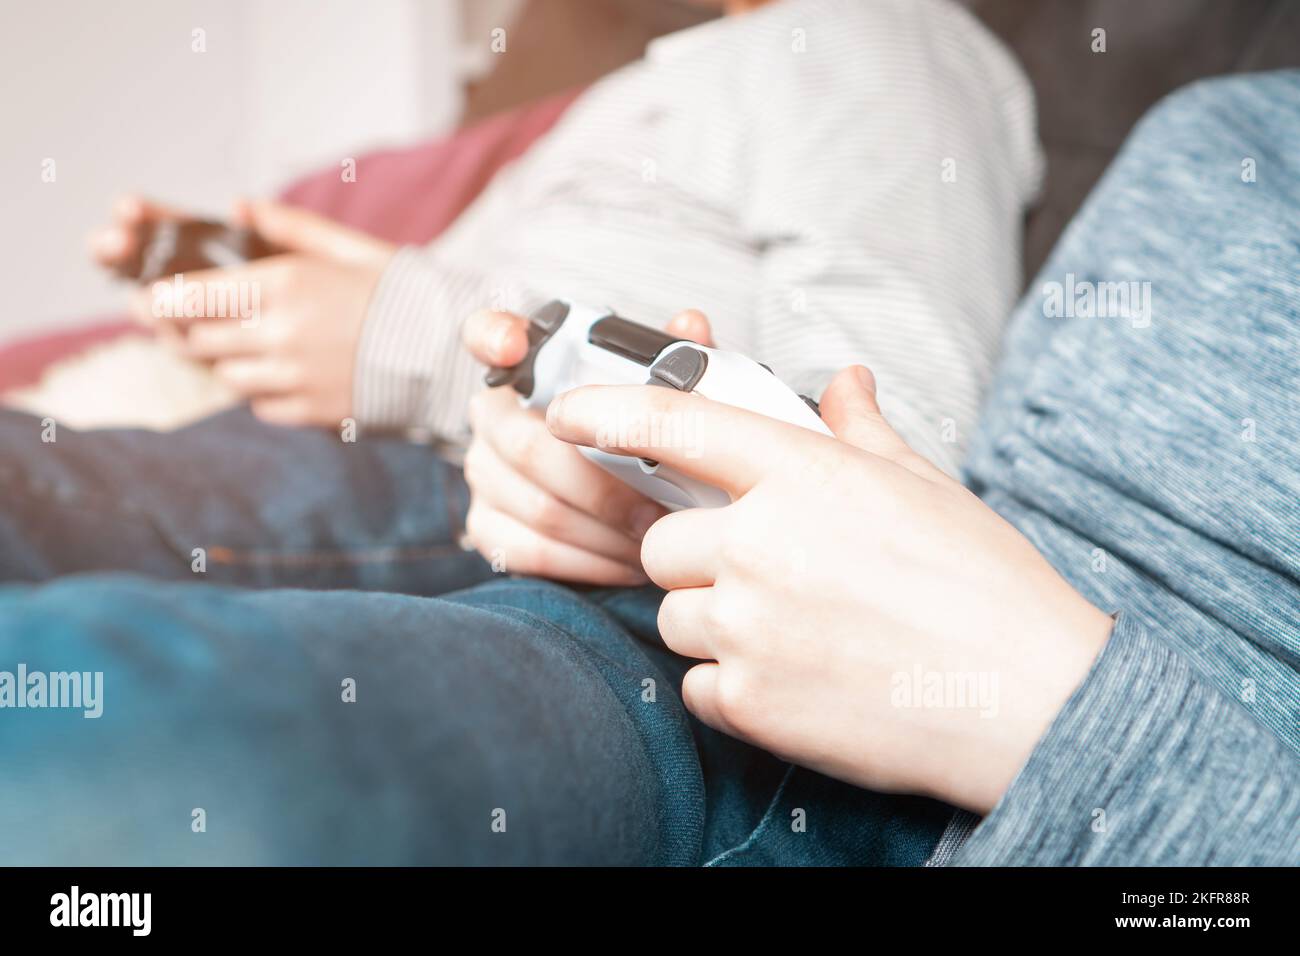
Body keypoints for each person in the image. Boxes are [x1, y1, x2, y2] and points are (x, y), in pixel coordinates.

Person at [2, 68, 1297, 864]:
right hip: (684, 621)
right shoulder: (1217, 135)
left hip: (1027, 756)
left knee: (107, 775)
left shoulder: (877, 46)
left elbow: (907, 403)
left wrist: (414, 345)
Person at [88, 0, 1041, 585]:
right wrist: (327, 293)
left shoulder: (879, 34)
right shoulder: (665, 81)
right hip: (354, 449)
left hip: (459, 491)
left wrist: (400, 338)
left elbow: (888, 475)